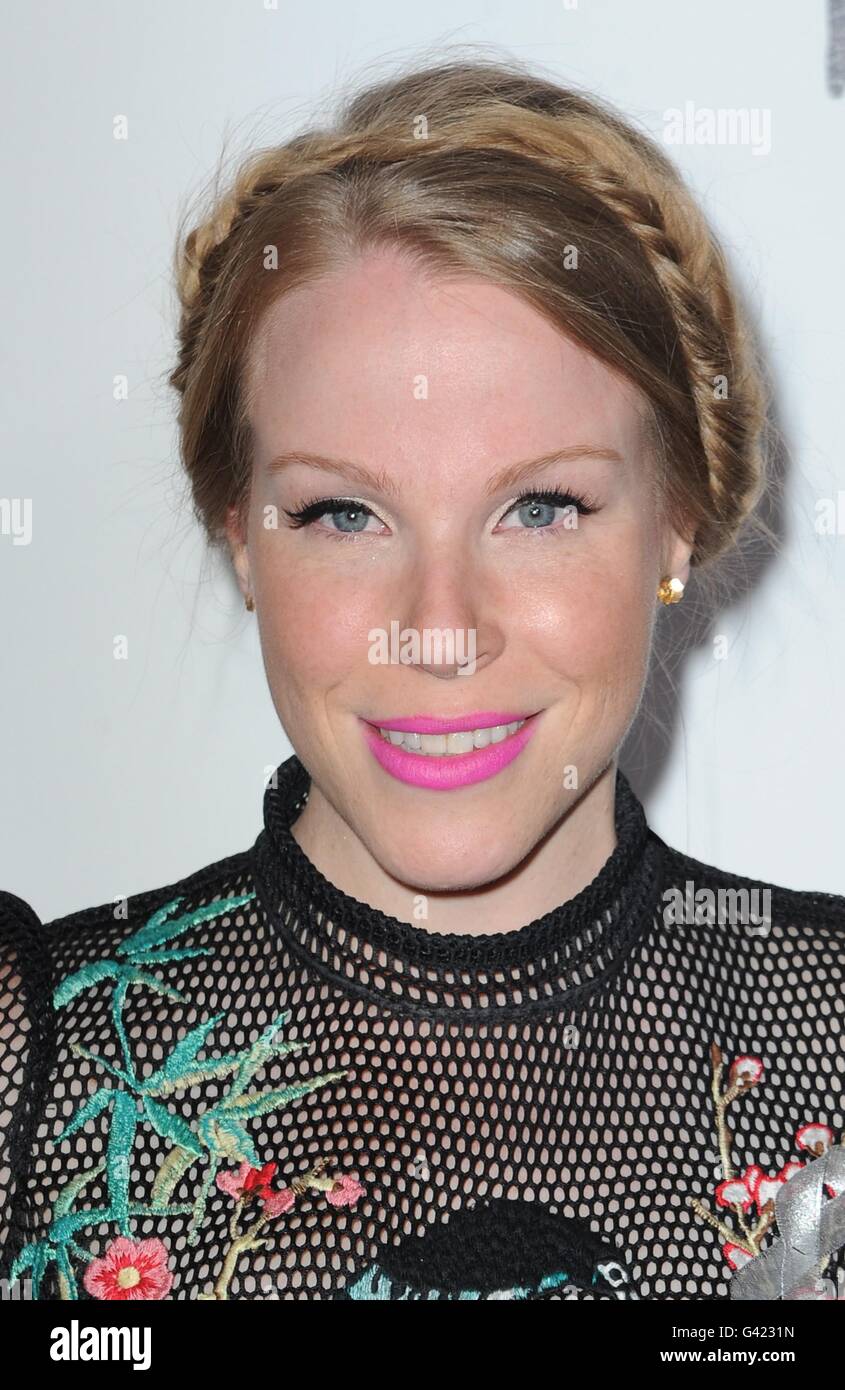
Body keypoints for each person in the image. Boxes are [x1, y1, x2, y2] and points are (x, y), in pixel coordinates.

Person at [1, 54, 843, 1304]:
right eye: (343, 514)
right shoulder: (32, 1063)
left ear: (675, 520)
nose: (436, 632)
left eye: (540, 507)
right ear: (240, 532)